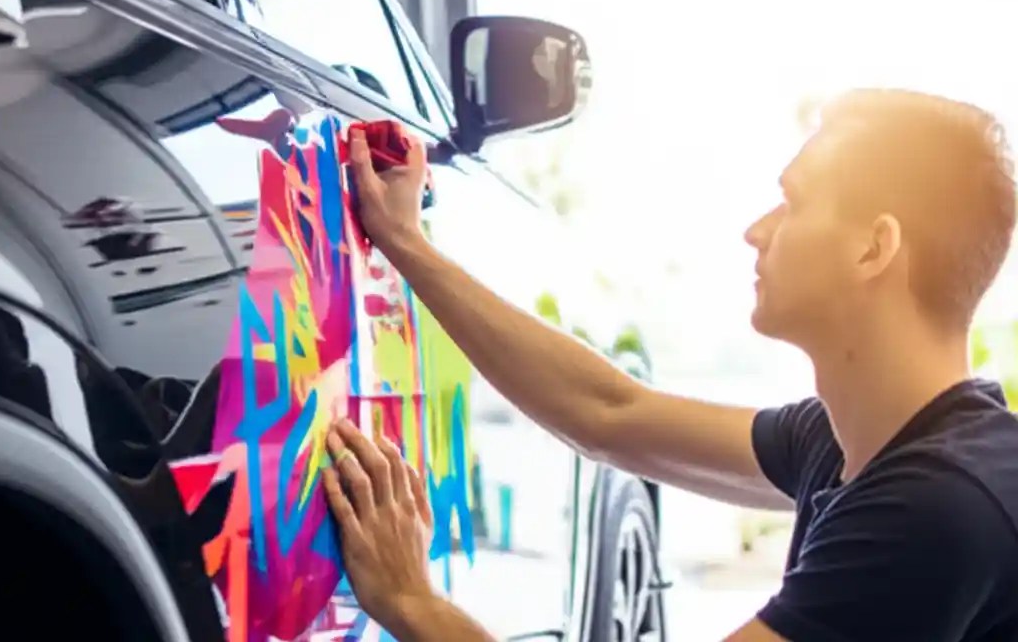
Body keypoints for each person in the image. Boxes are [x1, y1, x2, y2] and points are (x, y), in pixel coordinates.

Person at [320, 88, 1018, 642]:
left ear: (873, 249)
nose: (758, 230)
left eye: (795, 202)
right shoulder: (856, 442)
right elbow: (609, 414)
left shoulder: (939, 510)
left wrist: (411, 601)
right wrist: (406, 243)